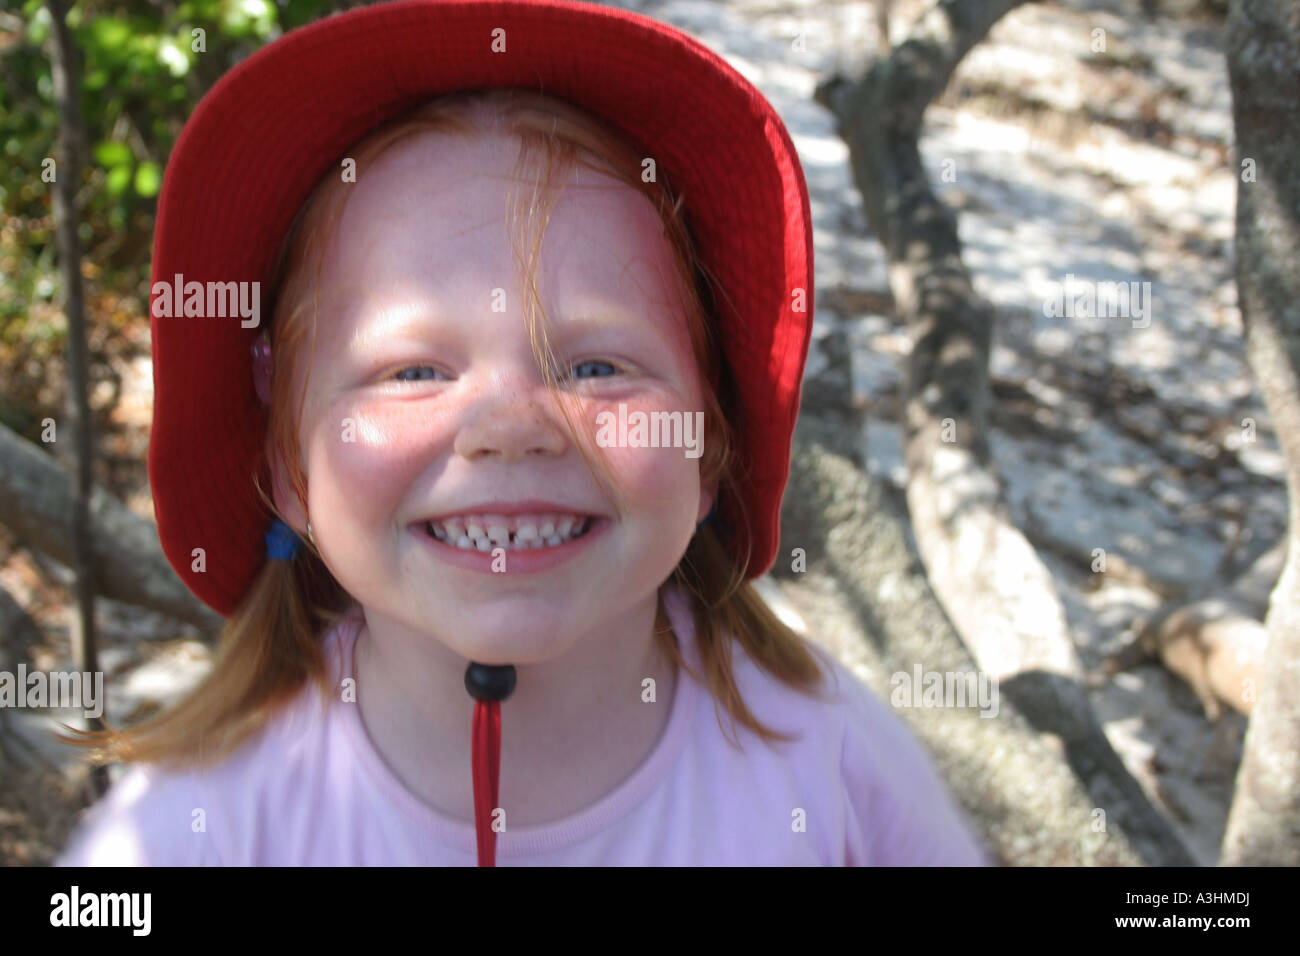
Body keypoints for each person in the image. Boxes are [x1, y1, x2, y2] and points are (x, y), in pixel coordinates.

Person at [55, 0, 988, 866]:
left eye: (596, 367)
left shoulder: (826, 768)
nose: (509, 427)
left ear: (710, 449)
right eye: (412, 371)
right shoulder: (203, 823)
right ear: (288, 469)